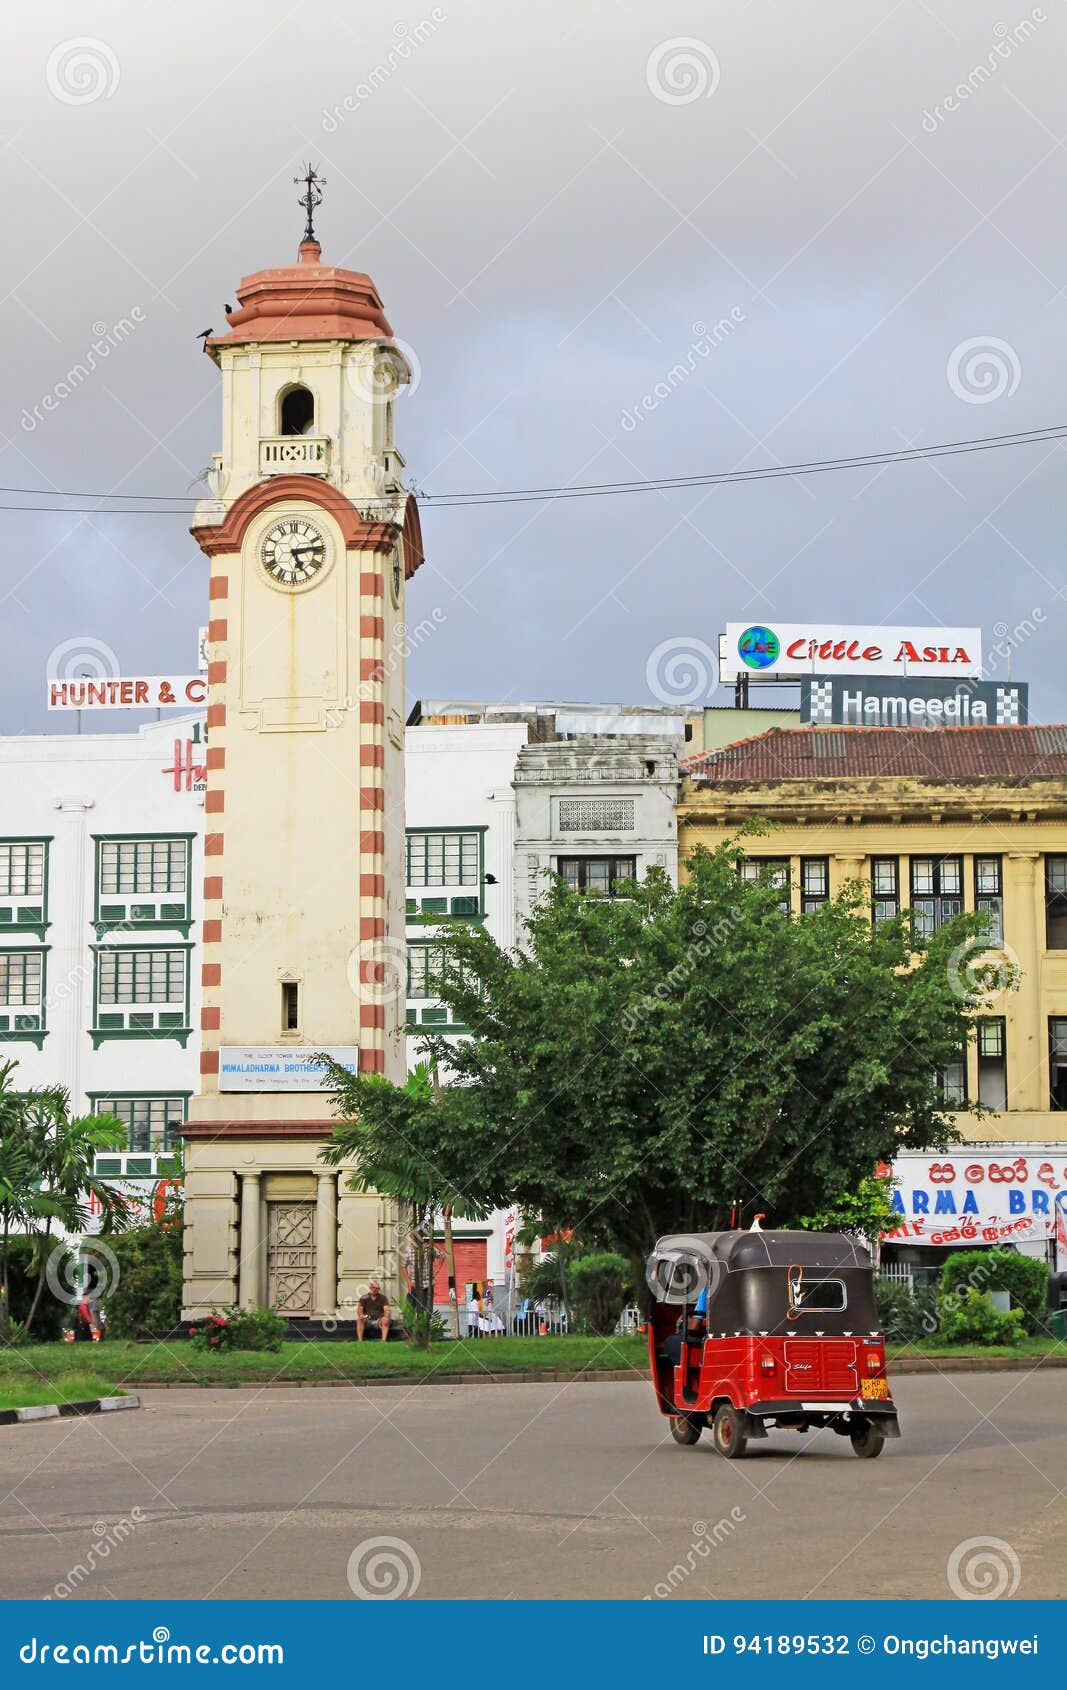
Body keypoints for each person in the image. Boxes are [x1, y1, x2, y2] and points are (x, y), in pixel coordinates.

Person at [663, 1284, 708, 1367]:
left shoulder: (707, 1289)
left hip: (704, 1338)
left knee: (671, 1341)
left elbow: (693, 1328)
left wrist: (686, 1320)